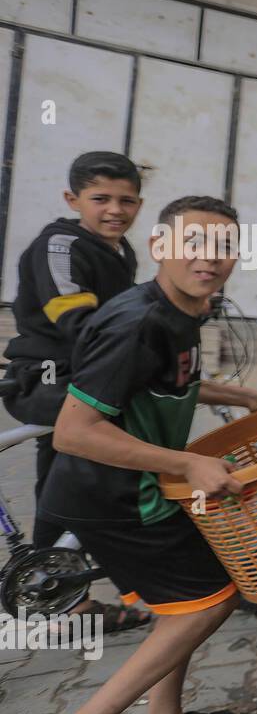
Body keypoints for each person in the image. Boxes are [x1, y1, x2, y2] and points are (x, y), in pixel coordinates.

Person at [5, 196, 257, 714]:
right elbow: (76, 430)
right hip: (113, 495)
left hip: (131, 491)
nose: (209, 259)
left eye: (224, 247)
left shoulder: (181, 312)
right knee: (207, 602)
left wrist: (244, 396)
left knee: (184, 596)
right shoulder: (136, 321)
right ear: (160, 247)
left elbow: (163, 377)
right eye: (193, 243)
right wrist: (187, 461)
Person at [2, 152, 152, 632]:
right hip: (46, 375)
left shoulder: (120, 251)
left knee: (68, 469)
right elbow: (76, 320)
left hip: (85, 374)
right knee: (101, 457)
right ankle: (65, 585)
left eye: (126, 200)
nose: (115, 210)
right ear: (73, 199)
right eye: (101, 199)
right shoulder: (62, 246)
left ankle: (59, 583)